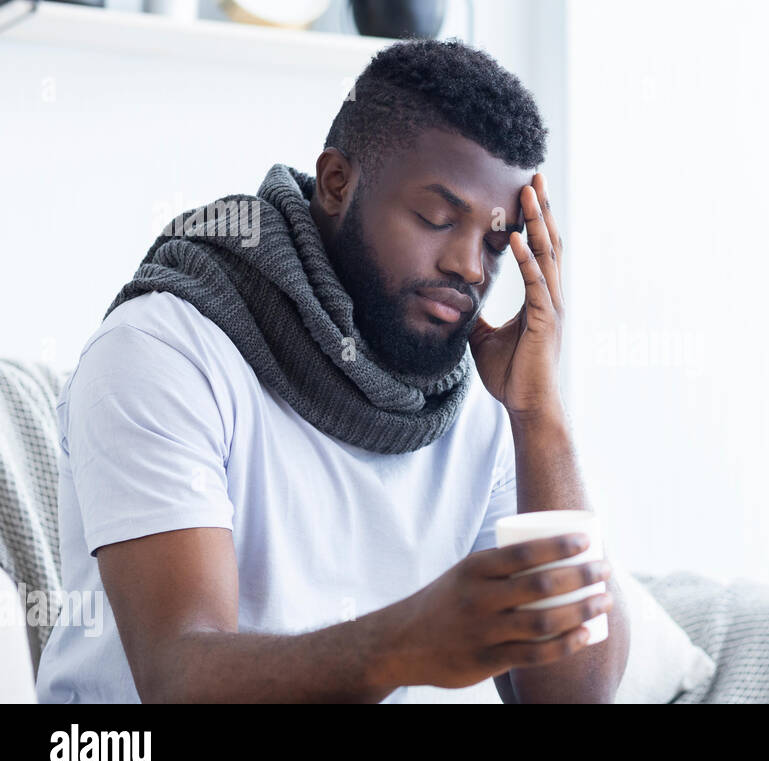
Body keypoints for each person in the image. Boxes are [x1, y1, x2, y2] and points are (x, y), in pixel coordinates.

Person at [35, 39, 629, 703]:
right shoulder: (167, 349)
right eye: (437, 218)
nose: (469, 266)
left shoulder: (485, 397)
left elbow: (572, 697)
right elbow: (177, 680)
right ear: (338, 183)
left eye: (496, 241)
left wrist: (539, 415)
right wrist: (403, 643)